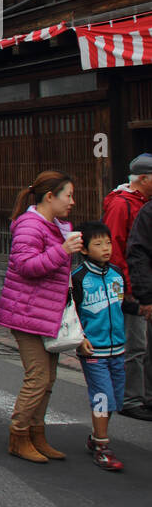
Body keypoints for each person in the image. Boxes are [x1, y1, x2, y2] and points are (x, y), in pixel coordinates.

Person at [0, 171, 81, 464]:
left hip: (48, 312)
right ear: (50, 197)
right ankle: (18, 436)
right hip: (27, 312)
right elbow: (26, 266)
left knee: (49, 378)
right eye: (67, 195)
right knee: (38, 376)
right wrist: (63, 250)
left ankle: (37, 433)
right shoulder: (30, 224)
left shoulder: (56, 225)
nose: (72, 201)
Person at [72, 222, 127, 471]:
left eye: (108, 243)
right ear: (84, 249)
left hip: (118, 350)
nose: (105, 248)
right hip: (94, 351)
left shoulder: (117, 274)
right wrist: (79, 338)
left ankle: (96, 437)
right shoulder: (79, 278)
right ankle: (102, 448)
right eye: (98, 244)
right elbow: (70, 314)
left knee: (114, 398)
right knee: (102, 396)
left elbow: (122, 306)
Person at [101, 155, 152, 421]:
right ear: (143, 179)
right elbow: (114, 249)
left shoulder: (143, 203)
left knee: (145, 343)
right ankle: (130, 398)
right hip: (129, 286)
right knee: (136, 344)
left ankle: (145, 396)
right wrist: (129, 287)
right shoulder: (122, 204)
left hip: (141, 284)